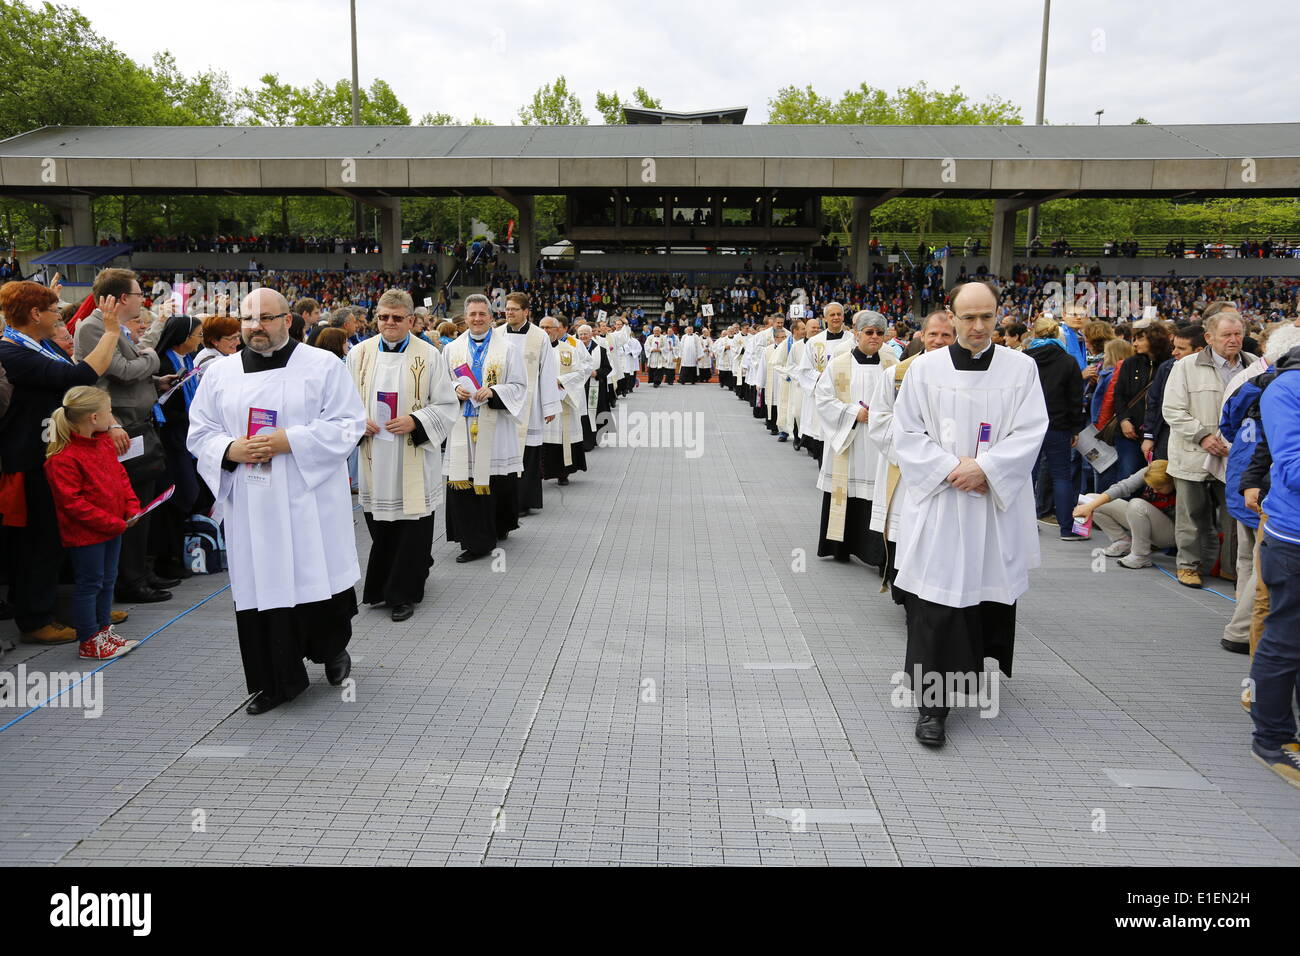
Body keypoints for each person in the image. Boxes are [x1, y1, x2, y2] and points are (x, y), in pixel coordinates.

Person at [187, 287, 367, 715]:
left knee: (316, 581)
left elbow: (348, 423)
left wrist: (292, 440)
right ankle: (276, 681)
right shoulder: (220, 374)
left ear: (288, 320)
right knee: (262, 590)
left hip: (309, 497)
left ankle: (330, 651)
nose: (256, 327)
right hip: (253, 503)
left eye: (267, 317)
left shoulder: (322, 365)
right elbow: (200, 432)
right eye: (248, 319)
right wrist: (229, 449)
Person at [891, 280, 1049, 748]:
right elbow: (906, 431)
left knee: (981, 599)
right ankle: (931, 707)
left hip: (991, 505)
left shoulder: (1021, 368)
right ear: (952, 317)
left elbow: (1030, 430)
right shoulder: (926, 368)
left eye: (987, 317)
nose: (979, 327)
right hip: (941, 502)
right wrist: (948, 468)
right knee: (936, 605)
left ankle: (969, 678)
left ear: (998, 315)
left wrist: (985, 468)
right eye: (969, 318)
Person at [0, 281, 126, 645]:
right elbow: (80, 376)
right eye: (54, 311)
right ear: (35, 315)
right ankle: (35, 618)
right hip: (28, 463)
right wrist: (112, 330)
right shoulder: (14, 354)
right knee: (37, 544)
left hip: (54, 458)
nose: (61, 318)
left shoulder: (35, 347)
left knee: (60, 539)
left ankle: (76, 607)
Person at [346, 289, 458, 622]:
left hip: (411, 452)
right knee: (380, 525)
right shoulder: (359, 354)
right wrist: (355, 422)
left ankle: (404, 594)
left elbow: (447, 404)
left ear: (411, 320)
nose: (389, 323)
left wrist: (416, 420)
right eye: (383, 317)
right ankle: (382, 587)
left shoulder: (430, 354)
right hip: (373, 455)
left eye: (397, 318)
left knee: (411, 526)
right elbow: (343, 403)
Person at [74, 269, 178, 604]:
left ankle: (140, 571)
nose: (141, 300)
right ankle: (129, 580)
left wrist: (155, 382)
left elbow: (132, 376)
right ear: (121, 298)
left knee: (144, 502)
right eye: (137, 294)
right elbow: (123, 370)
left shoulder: (113, 327)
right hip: (121, 429)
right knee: (131, 505)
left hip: (137, 424)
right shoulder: (93, 328)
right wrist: (150, 357)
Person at [43, 385, 142, 660]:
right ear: (93, 418)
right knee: (90, 584)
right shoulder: (62, 459)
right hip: (87, 535)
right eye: (109, 412)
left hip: (113, 528)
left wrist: (131, 507)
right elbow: (73, 504)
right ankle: (89, 638)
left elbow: (121, 477)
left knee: (107, 580)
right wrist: (113, 522)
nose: (113, 418)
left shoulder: (103, 444)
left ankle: (103, 631)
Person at [1162, 308, 1257, 587]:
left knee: (1233, 515)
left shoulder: (1252, 366)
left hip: (1233, 456)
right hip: (1194, 452)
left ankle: (1230, 567)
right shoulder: (1186, 366)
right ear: (1209, 337)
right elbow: (1173, 410)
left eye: (1238, 334)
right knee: (1191, 515)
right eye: (1226, 334)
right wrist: (1202, 436)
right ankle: (1189, 566)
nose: (1233, 340)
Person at [867, 310, 957, 584]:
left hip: (948, 473)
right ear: (922, 335)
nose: (939, 341)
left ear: (955, 337)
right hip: (905, 468)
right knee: (905, 529)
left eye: (946, 335)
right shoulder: (897, 374)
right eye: (933, 334)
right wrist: (915, 451)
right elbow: (879, 419)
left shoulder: (965, 377)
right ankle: (904, 591)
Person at [1247, 342, 1300, 787]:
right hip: (1293, 538)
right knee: (1285, 638)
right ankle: (1273, 737)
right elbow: (1292, 466)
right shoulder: (1286, 389)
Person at [442, 294, 528, 562]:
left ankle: (498, 526)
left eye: (482, 314)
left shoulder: (508, 349)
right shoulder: (451, 349)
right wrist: (454, 388)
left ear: (491, 317)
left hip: (494, 424)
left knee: (494, 480)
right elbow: (439, 384)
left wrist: (493, 391)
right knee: (465, 481)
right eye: (472, 314)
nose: (477, 319)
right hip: (462, 425)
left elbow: (519, 386)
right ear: (465, 318)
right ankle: (474, 540)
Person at [813, 310, 897, 566]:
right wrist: (853, 412)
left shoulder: (892, 364)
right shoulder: (839, 363)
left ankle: (875, 553)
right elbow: (823, 399)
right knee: (846, 493)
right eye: (869, 332)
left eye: (879, 333)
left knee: (877, 495)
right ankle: (842, 547)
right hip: (849, 440)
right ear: (857, 333)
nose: (874, 337)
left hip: (880, 443)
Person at [1024, 315, 1087, 540]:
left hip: (1027, 426)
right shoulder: (1068, 361)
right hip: (1058, 426)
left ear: (1035, 335)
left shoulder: (1024, 359)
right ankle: (1066, 528)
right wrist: (1075, 428)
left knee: (1025, 476)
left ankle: (1024, 524)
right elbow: (1075, 398)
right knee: (1062, 476)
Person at [152, 314, 204, 579]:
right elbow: (164, 407)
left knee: (188, 493)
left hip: (186, 436)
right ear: (184, 337)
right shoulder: (163, 364)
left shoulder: (188, 360)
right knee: (176, 495)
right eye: (197, 335)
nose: (200, 340)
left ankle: (177, 552)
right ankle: (166, 557)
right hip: (170, 440)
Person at [503, 292, 560, 517]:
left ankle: (524, 501)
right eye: (507, 309)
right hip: (504, 404)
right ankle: (506, 501)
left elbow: (547, 372)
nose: (509, 313)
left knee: (528, 454)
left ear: (526, 311)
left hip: (530, 403)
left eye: (514, 309)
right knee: (505, 451)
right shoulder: (496, 334)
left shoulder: (539, 336)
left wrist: (550, 406)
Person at [1071, 459, 1177, 568]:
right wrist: (1089, 507)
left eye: (1158, 488)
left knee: (1137, 505)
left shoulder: (1179, 483)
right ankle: (1123, 542)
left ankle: (1140, 555)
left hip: (1171, 534)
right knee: (1091, 500)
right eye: (1152, 487)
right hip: (1146, 522)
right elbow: (1123, 487)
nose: (1154, 491)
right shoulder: (1150, 470)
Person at [796, 305, 853, 464]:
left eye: (839, 314)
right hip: (823, 397)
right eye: (832, 314)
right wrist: (824, 377)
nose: (836, 317)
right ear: (825, 318)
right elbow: (804, 371)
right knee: (824, 437)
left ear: (843, 317)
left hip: (845, 396)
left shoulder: (853, 340)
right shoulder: (814, 342)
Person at [538, 315, 591, 486]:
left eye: (549, 328)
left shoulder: (569, 350)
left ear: (558, 330)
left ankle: (563, 473)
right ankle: (538, 472)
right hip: (538, 403)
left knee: (562, 437)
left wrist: (560, 381)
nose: (545, 331)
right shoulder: (532, 350)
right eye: (542, 327)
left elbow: (580, 373)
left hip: (562, 402)